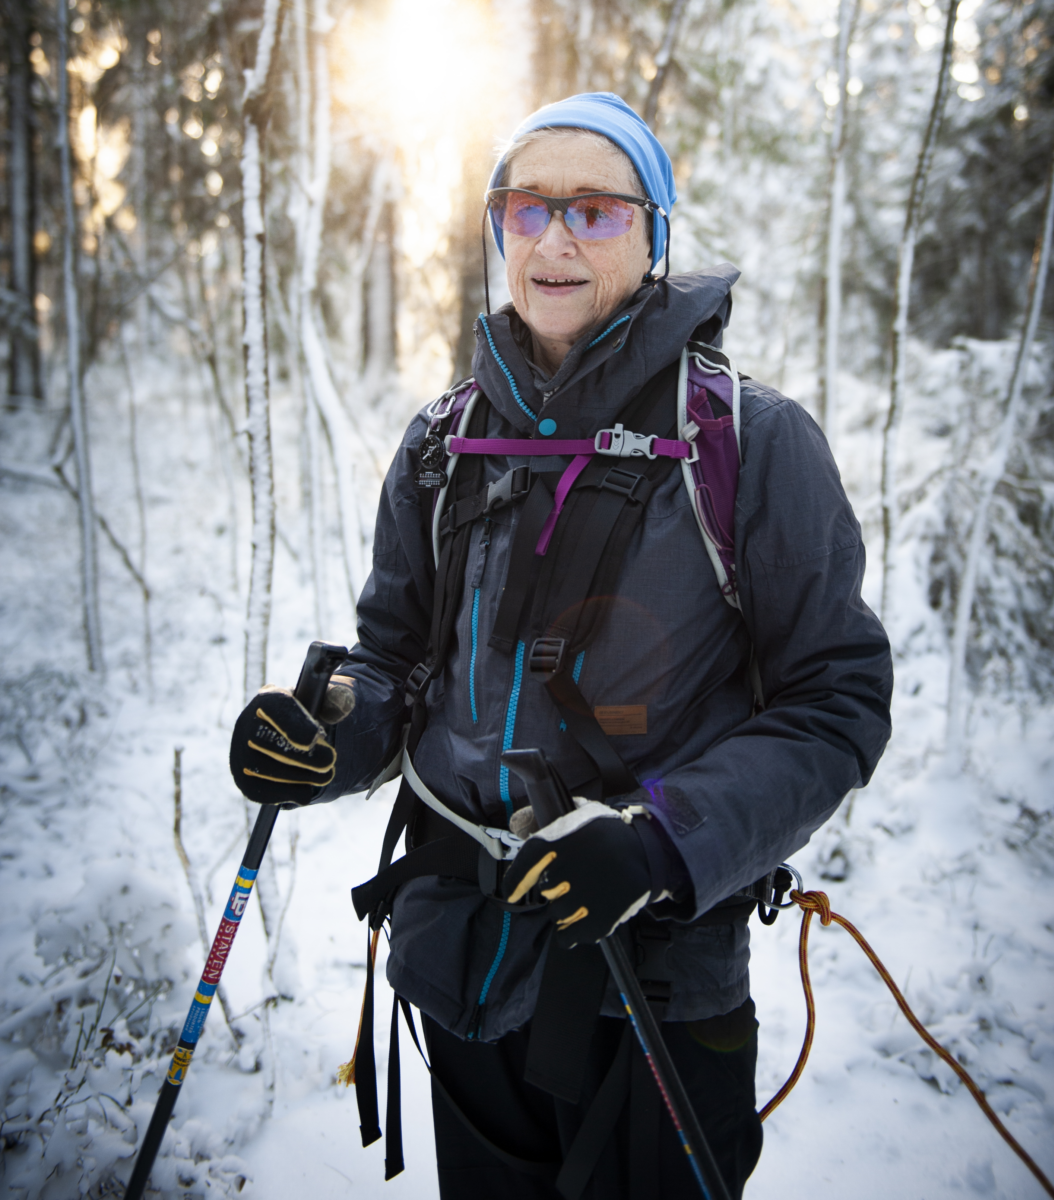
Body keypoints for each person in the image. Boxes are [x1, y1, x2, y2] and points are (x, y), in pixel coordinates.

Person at [229, 92, 893, 1199]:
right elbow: (393, 662)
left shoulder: (748, 441)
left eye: (593, 209)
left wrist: (658, 846)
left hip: (657, 984)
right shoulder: (443, 442)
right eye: (524, 207)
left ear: (652, 234)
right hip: (462, 963)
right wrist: (327, 735)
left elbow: (834, 702)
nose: (551, 237)